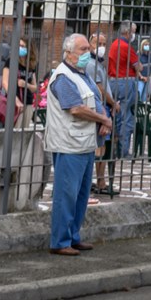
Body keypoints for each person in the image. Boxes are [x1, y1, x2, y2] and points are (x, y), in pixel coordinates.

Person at [45, 34, 110, 254]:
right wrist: (102, 119)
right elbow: (75, 108)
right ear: (69, 53)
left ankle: (73, 235)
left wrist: (102, 116)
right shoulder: (63, 77)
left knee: (81, 194)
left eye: (87, 49)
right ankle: (60, 241)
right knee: (67, 194)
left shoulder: (83, 74)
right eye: (83, 50)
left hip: (84, 142)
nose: (87, 53)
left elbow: (94, 99)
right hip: (69, 143)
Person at [105, 19, 142, 184]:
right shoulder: (127, 47)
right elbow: (138, 66)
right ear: (128, 32)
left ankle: (116, 146)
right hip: (126, 82)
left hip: (113, 81)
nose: (134, 34)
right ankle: (123, 150)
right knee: (127, 117)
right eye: (133, 31)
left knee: (117, 115)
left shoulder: (114, 44)